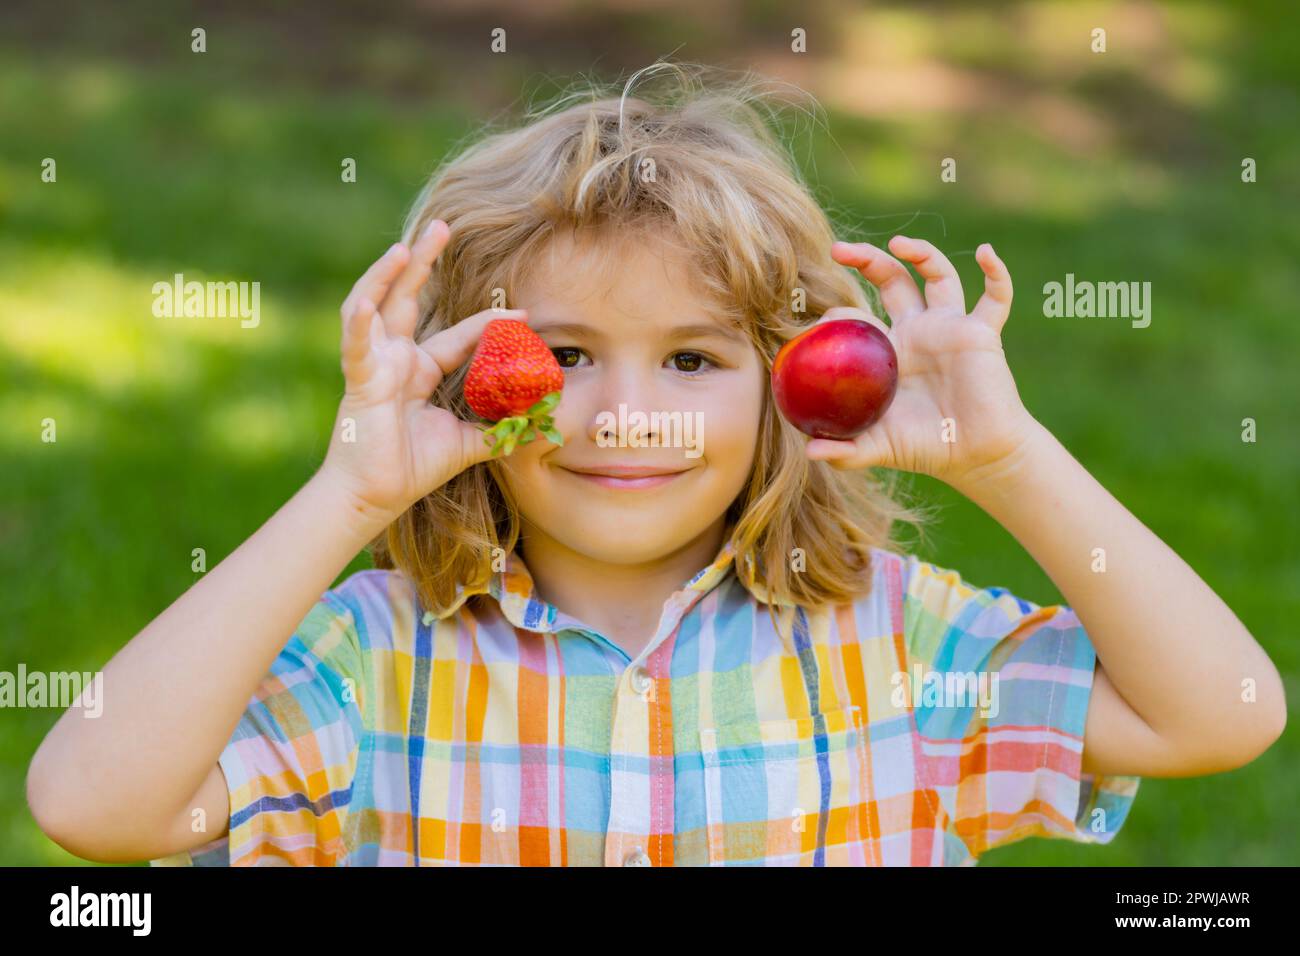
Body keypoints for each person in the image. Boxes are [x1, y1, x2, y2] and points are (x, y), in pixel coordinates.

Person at [26, 64, 1285, 866]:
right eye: (566, 354)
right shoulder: (373, 657)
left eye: (693, 360)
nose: (625, 414)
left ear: (789, 389)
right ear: (467, 372)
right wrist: (347, 494)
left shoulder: (901, 652)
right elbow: (92, 805)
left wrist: (1008, 458)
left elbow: (1223, 711)